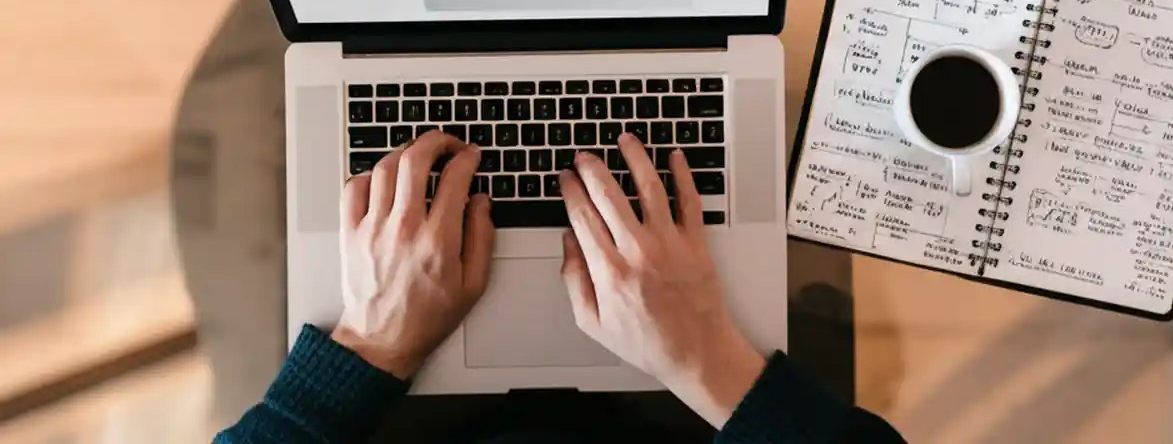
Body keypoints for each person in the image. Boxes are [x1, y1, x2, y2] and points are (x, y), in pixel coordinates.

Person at [214, 132, 904, 443]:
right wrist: (708, 360)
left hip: (376, 409)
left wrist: (369, 344)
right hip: (692, 412)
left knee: (260, 116)